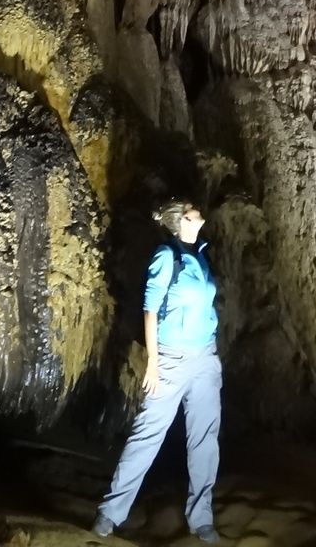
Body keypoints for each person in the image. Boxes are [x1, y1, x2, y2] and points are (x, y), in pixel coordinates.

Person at [93, 201, 222, 543]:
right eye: (193, 209)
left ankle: (202, 518)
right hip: (171, 359)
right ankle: (110, 513)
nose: (200, 210)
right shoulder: (168, 256)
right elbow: (150, 309)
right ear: (181, 221)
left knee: (205, 440)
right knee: (147, 435)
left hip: (205, 359)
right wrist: (153, 360)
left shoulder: (202, 254)